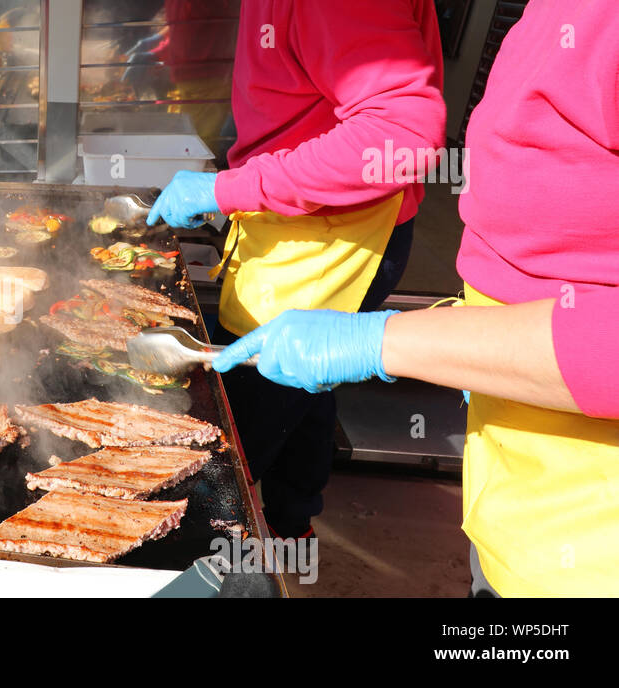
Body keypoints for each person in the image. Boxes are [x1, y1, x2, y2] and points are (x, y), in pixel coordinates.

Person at [211, 1, 619, 597]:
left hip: (590, 545)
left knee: (248, 428)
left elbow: (400, 133)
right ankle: (290, 537)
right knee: (303, 398)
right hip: (526, 481)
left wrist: (382, 340)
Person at [147, 0, 445, 540]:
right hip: (305, 222)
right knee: (303, 380)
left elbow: (401, 137)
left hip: (329, 240)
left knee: (230, 437)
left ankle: (203, 543)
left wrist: (229, 189)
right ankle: (291, 524)